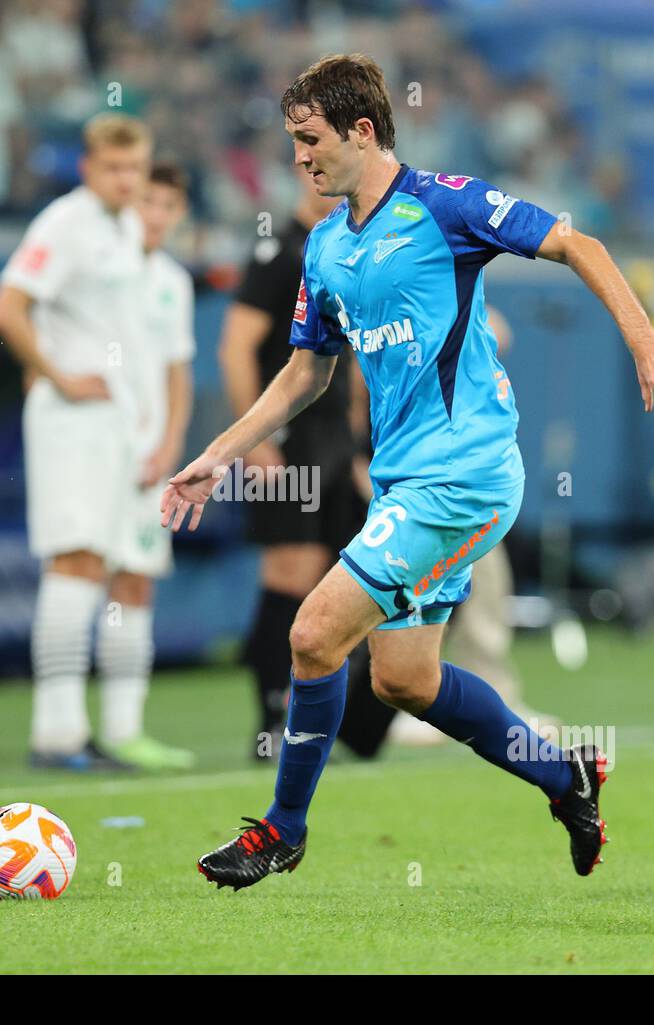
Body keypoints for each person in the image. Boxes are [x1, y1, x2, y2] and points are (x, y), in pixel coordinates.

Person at [161, 54, 654, 889]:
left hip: (468, 474)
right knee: (405, 680)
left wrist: (644, 339)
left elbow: (575, 242)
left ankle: (281, 831)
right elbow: (308, 372)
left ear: (362, 131)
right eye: (292, 143)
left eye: (310, 140)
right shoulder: (328, 247)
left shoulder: (448, 204)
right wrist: (215, 456)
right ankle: (568, 777)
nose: (299, 158)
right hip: (408, 482)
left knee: (311, 634)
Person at [0, 119, 196, 771]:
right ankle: (57, 733)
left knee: (128, 574)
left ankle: (112, 730)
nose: (127, 180)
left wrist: (160, 434)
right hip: (74, 423)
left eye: (135, 168)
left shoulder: (129, 232)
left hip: (126, 431)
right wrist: (55, 375)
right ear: (86, 167)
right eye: (114, 168)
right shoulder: (63, 223)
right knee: (76, 563)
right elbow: (7, 309)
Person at [219, 163, 395, 761]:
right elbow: (237, 344)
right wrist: (254, 440)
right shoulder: (280, 250)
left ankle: (341, 721)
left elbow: (352, 363)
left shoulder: (345, 248)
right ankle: (271, 719)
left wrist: (354, 449)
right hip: (288, 439)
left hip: (332, 447)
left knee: (332, 582)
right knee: (289, 575)